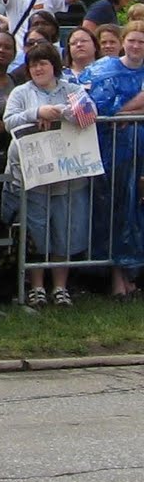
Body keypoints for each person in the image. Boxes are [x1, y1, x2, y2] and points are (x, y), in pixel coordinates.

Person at [2, 40, 91, 308]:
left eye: (43, 63)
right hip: (33, 177)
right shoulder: (20, 92)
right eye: (33, 65)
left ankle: (60, 287)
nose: (38, 69)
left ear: (54, 65)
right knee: (36, 232)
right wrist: (36, 112)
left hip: (67, 176)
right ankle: (37, 287)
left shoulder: (72, 89)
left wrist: (60, 113)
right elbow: (9, 121)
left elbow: (89, 113)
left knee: (63, 232)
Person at [79, 25, 144, 299]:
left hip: (139, 154)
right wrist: (131, 110)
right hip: (112, 154)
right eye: (132, 40)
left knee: (135, 211)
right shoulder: (102, 70)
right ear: (122, 42)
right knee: (116, 211)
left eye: (141, 42)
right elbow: (94, 107)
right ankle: (117, 276)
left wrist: (125, 112)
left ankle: (131, 275)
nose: (136, 46)